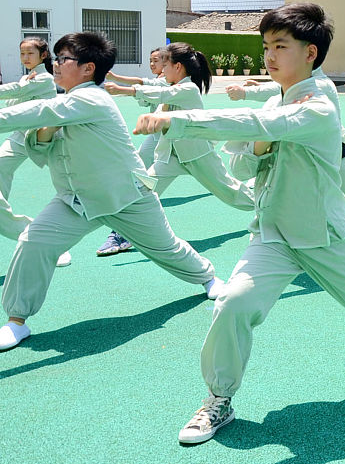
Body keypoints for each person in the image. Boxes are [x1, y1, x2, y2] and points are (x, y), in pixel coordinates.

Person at [134, 4, 345, 445]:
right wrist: (262, 145)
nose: (269, 56)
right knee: (232, 303)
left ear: (311, 53)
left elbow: (253, 122)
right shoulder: (276, 98)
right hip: (273, 234)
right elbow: (243, 166)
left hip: (325, 236)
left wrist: (179, 119)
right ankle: (218, 399)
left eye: (280, 46)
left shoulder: (319, 104)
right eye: (266, 47)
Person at [0, 32, 222, 352]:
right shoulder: (62, 102)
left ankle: (208, 277)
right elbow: (38, 140)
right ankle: (16, 321)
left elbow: (35, 115)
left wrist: (43, 122)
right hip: (75, 200)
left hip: (127, 197)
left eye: (64, 59)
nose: (56, 65)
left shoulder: (91, 98)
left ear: (89, 68)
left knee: (167, 249)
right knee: (32, 241)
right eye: (57, 58)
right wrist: (44, 134)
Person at [228, 68, 345, 260]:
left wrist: (246, 93)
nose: (274, 57)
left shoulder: (321, 85)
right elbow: (280, 91)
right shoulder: (288, 85)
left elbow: (288, 91)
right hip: (298, 160)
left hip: (334, 159)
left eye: (283, 47)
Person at [105, 42, 255, 211]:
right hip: (170, 156)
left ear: (177, 67)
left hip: (198, 156)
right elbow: (159, 102)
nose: (162, 70)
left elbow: (163, 95)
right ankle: (120, 235)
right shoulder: (172, 86)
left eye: (165, 65)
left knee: (231, 193)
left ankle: (265, 208)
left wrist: (124, 90)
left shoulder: (189, 88)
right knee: (144, 190)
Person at [0, 38, 71, 267]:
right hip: (20, 138)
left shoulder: (43, 78)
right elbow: (11, 102)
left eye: (30, 53)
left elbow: (16, 90)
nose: (26, 57)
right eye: (22, 53)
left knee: (71, 187)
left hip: (45, 139)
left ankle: (48, 241)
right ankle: (39, 238)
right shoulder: (28, 77)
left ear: (43, 55)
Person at [95, 46, 169, 256]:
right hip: (161, 143)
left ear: (171, 63)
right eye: (151, 60)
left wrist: (118, 83)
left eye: (157, 60)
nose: (153, 64)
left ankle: (260, 203)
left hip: (191, 150)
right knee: (138, 179)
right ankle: (122, 233)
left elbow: (143, 84)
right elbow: (146, 87)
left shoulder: (178, 84)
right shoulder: (164, 80)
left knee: (233, 194)